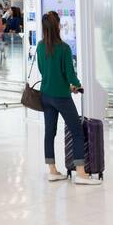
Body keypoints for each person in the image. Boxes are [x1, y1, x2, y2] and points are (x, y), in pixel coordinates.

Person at [36, 10, 100, 185]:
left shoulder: (40, 46)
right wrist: (77, 85)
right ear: (57, 26)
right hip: (61, 97)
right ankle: (81, 173)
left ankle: (52, 170)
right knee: (77, 131)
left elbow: (43, 70)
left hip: (45, 95)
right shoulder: (64, 48)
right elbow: (70, 75)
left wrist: (64, 83)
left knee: (50, 132)